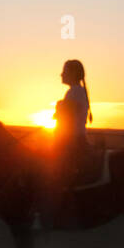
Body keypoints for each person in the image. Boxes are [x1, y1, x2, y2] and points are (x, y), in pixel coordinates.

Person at [37, 59, 94, 230]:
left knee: (47, 175)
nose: (61, 74)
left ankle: (48, 215)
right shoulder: (77, 92)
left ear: (73, 74)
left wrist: (60, 109)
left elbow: (67, 117)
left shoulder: (74, 92)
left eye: (64, 71)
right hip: (74, 140)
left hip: (70, 143)